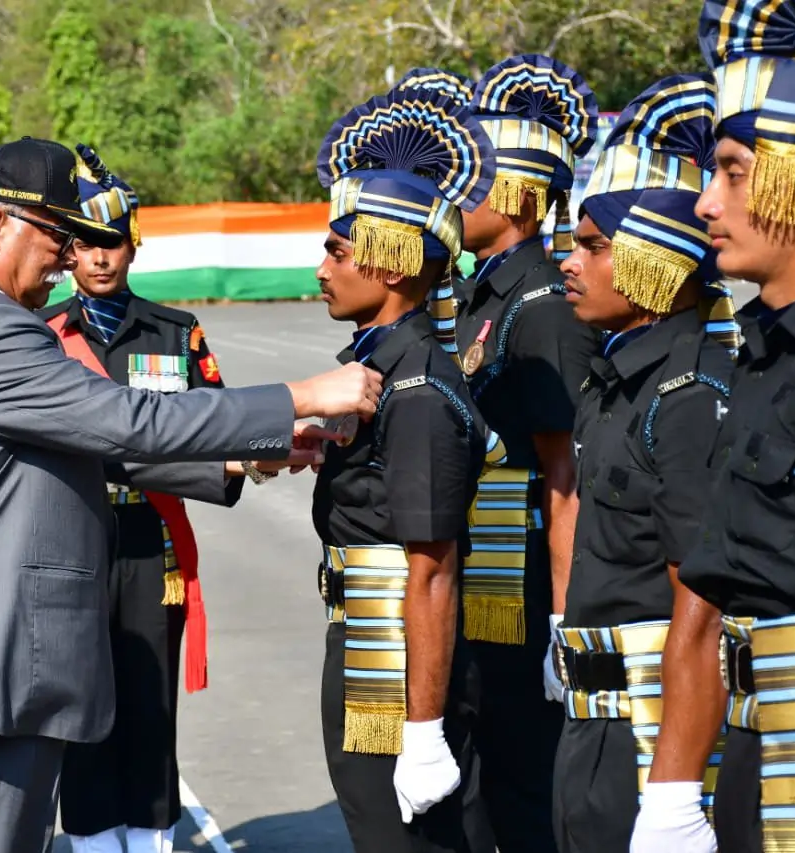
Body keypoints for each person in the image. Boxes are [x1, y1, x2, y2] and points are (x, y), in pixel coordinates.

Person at [0, 136, 381, 853]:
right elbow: (125, 420)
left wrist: (246, 451)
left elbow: (97, 445)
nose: (68, 258)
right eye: (57, 237)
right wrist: (302, 395)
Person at [39, 144, 289, 853]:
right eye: (86, 243)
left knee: (150, 705)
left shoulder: (177, 333)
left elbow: (220, 422)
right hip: (72, 539)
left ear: (134, 244)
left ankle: (152, 838)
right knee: (82, 701)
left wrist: (266, 448)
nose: (100, 258)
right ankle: (92, 839)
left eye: (113, 242)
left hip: (152, 544)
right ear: (68, 251)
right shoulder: (40, 336)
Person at [632, 1, 795, 850]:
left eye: (734, 171)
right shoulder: (762, 353)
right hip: (753, 748)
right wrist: (674, 792)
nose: (706, 203)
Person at [309, 80, 507, 853]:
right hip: (370, 640)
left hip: (397, 666)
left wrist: (423, 730)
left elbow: (431, 568)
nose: (322, 267)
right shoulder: (386, 368)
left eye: (337, 249)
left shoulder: (417, 387)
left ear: (391, 263)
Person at [548, 73, 736, 853]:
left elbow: (704, 604)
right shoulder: (614, 375)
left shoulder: (689, 395)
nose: (569, 262)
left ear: (655, 256)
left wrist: (674, 789)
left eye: (593, 246)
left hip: (655, 735)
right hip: (592, 723)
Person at [455, 53, 603, 853]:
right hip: (487, 565)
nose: (457, 194)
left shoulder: (541, 303)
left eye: (474, 180)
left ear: (515, 195)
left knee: (524, 781)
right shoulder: (487, 294)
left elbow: (564, 473)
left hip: (523, 578)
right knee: (489, 772)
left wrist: (560, 619)